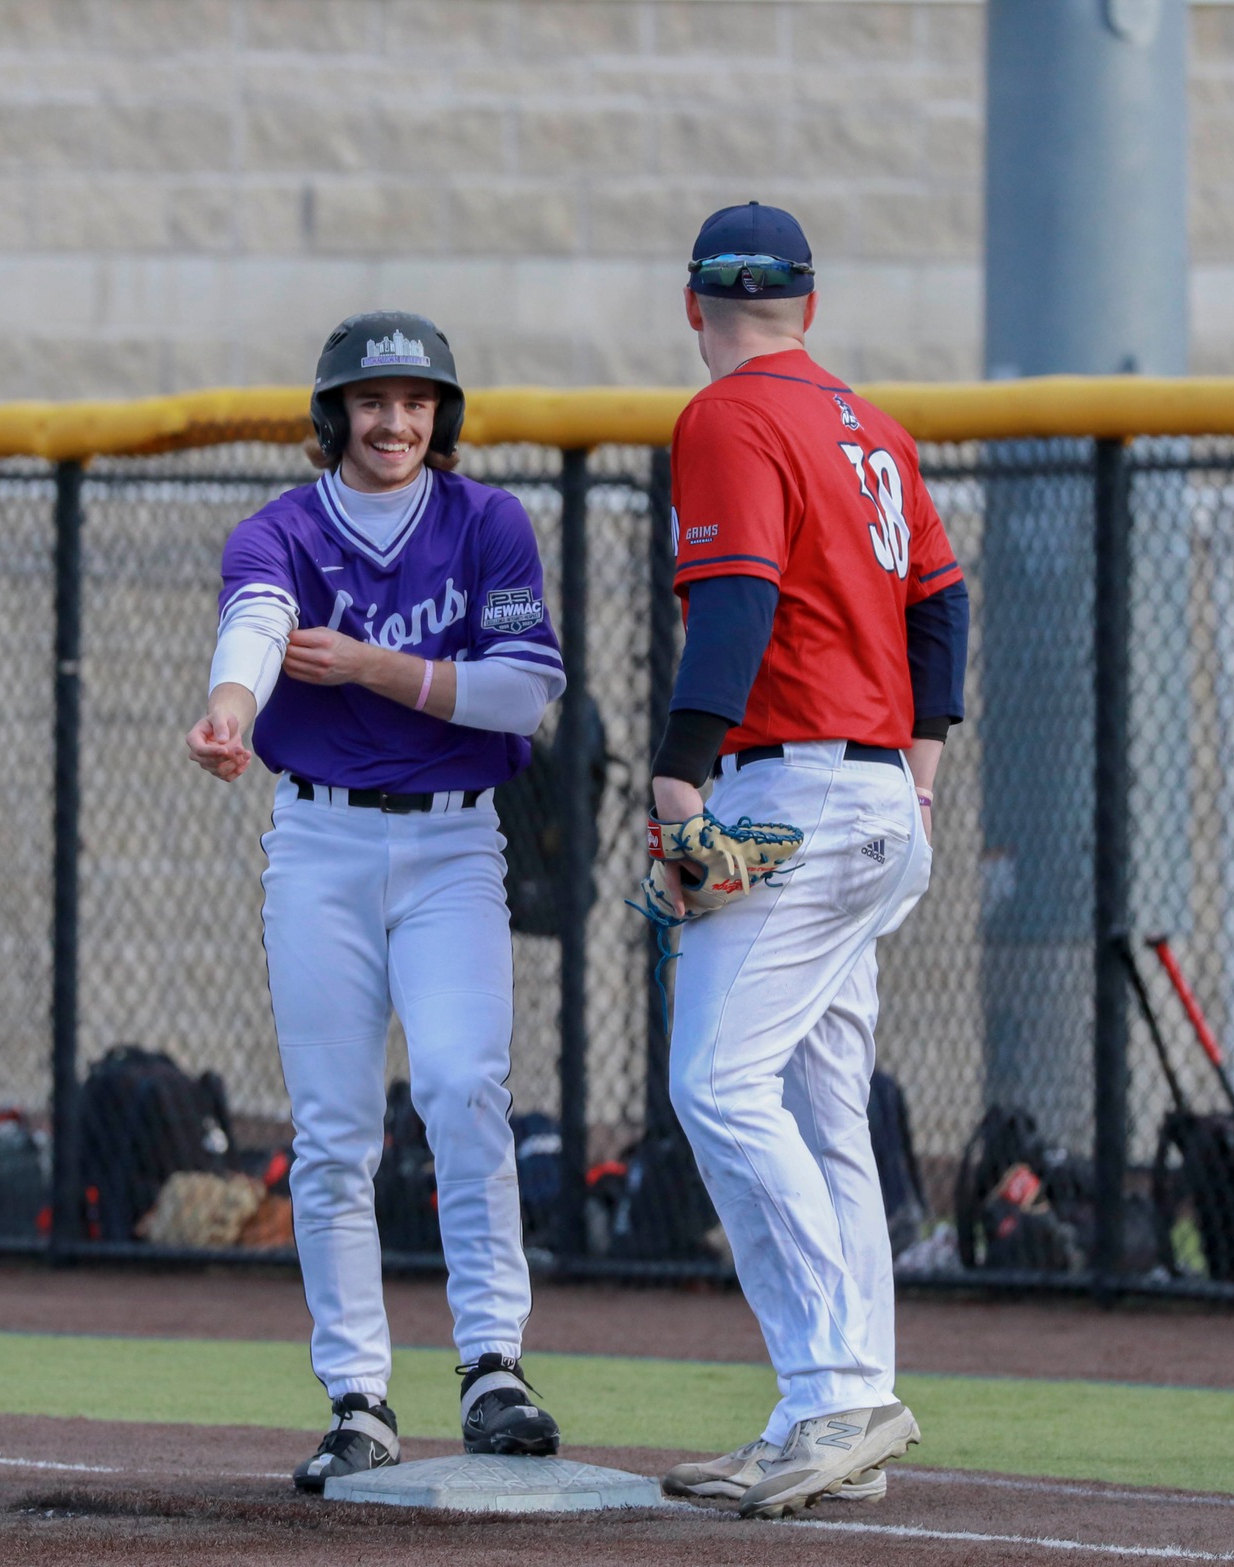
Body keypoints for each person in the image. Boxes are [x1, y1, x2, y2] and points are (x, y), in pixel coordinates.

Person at [184, 311, 567, 1492]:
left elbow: (521, 694)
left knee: (461, 1087)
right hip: (319, 842)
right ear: (331, 415)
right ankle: (357, 1395)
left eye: (413, 401)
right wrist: (231, 709)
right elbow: (254, 616)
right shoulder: (284, 528)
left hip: (453, 847)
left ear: (439, 415)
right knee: (335, 1127)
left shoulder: (486, 521)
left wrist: (370, 665)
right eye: (369, 400)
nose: (393, 422)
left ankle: (492, 1366)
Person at [646, 203, 969, 1519]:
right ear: (809, 306)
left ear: (692, 308)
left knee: (715, 1079)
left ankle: (834, 1391)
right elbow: (939, 604)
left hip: (791, 787)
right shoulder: (871, 429)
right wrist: (923, 770)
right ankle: (830, 1411)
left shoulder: (725, 415)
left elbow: (736, 600)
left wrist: (675, 772)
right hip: (881, 792)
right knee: (824, 1100)